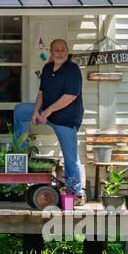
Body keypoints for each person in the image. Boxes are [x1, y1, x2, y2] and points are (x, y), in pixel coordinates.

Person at [13, 38, 85, 201]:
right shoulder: (47, 68)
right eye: (56, 49)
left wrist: (46, 112)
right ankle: (20, 155)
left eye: (63, 49)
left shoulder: (73, 69)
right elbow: (42, 93)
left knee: (70, 157)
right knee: (21, 111)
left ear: (67, 51)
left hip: (66, 118)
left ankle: (76, 192)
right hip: (46, 111)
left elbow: (70, 96)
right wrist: (36, 111)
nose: (59, 52)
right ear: (51, 52)